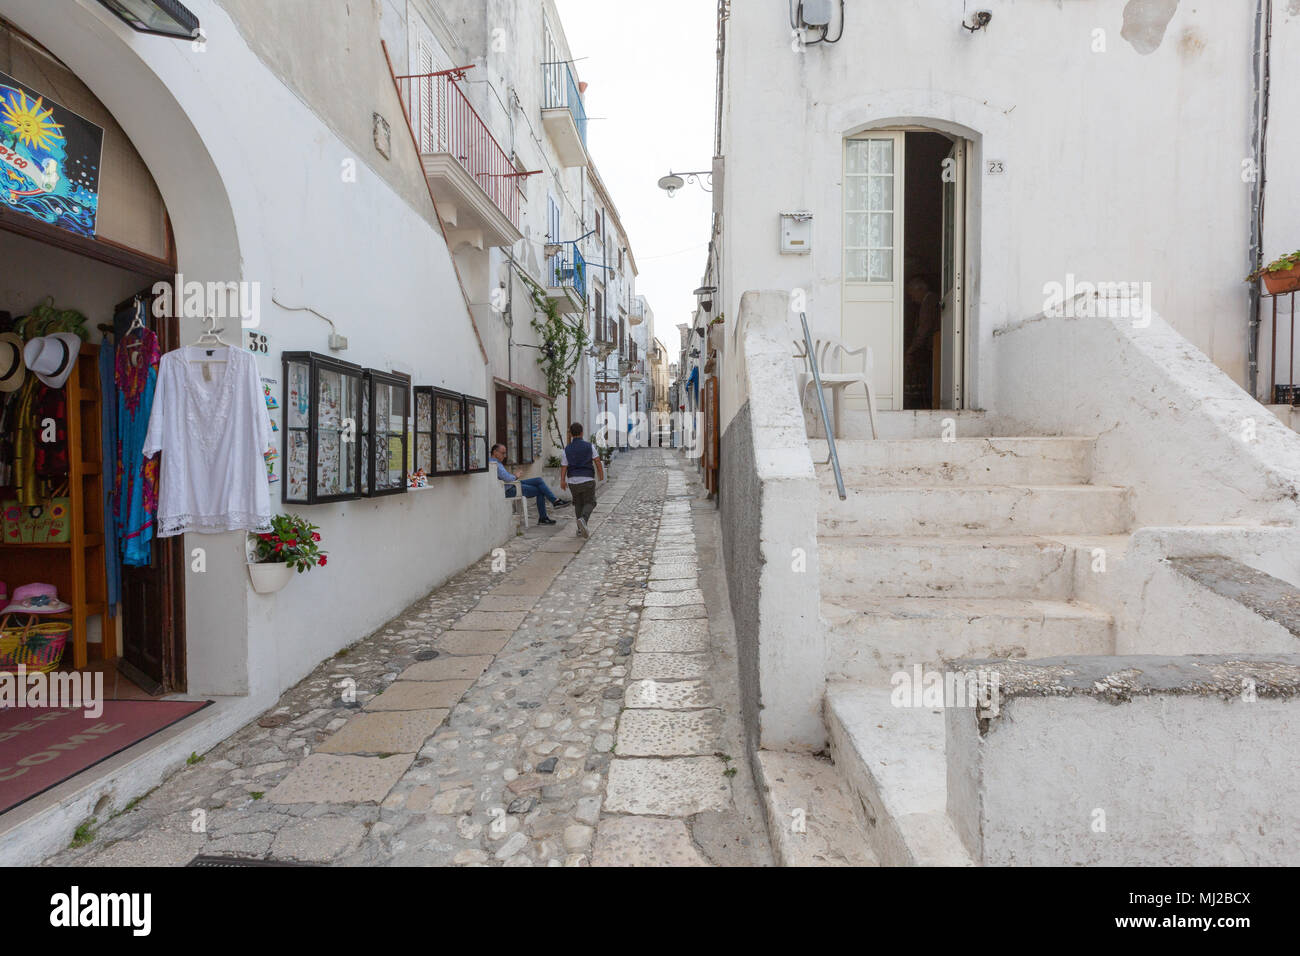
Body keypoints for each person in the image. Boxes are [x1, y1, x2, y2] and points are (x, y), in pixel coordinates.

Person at [493, 443, 568, 525]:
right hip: (510, 488)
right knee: (540, 490)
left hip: (511, 484)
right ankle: (545, 515)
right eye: (503, 453)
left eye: (505, 453)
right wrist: (515, 476)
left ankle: (554, 502)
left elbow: (506, 477)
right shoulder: (495, 464)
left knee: (538, 480)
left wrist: (513, 476)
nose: (505, 455)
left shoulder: (496, 463)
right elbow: (507, 478)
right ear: (495, 452)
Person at [560, 422, 604, 538]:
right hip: (587, 479)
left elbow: (564, 466)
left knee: (578, 504)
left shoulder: (567, 449)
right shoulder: (589, 446)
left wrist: (562, 480)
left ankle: (580, 529)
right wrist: (601, 474)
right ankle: (583, 520)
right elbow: (597, 460)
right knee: (591, 502)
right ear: (582, 432)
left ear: (571, 434)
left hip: (573, 481)